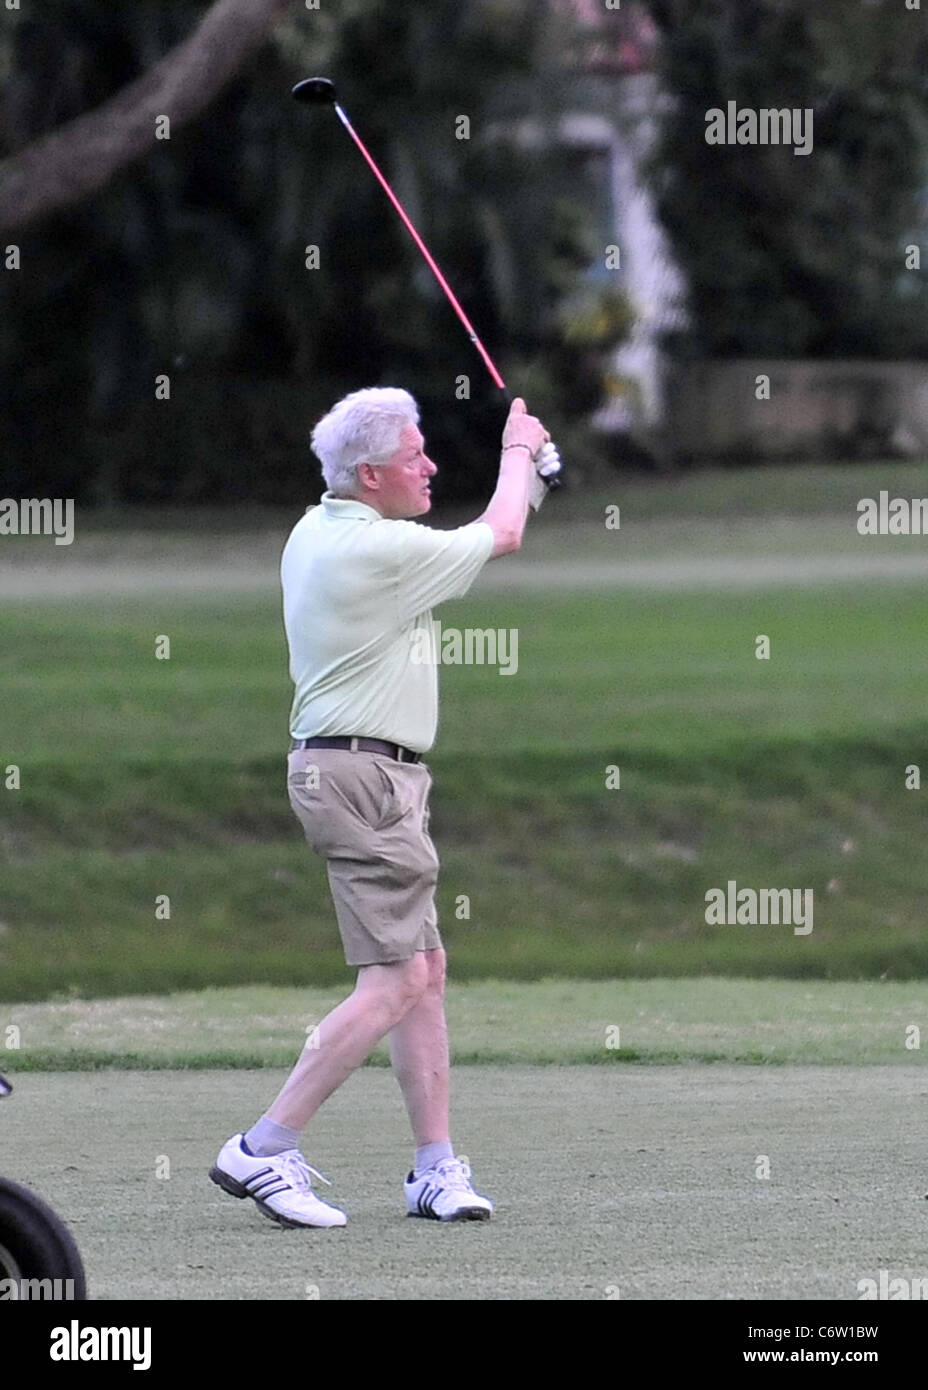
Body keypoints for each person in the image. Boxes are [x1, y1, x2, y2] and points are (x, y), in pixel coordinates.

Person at [210, 386, 549, 1226]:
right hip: (360, 778)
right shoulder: (375, 551)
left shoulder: (323, 528)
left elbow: (498, 528)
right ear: (369, 474)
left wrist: (532, 476)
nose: (431, 465)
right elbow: (500, 534)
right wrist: (518, 454)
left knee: (423, 973)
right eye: (415, 456)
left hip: (373, 775)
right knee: (397, 978)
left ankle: (434, 1169)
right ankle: (263, 1148)